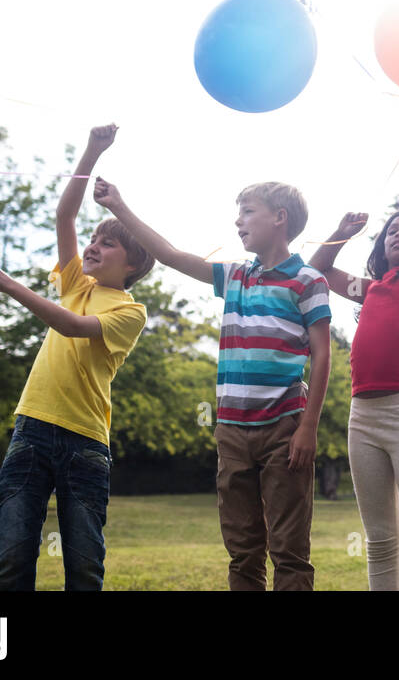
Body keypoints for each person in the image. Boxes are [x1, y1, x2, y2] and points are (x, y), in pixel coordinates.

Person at [93, 176, 330, 590]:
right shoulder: (236, 275)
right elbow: (168, 254)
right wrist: (119, 206)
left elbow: (323, 355)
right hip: (232, 431)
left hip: (285, 428)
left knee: (289, 551)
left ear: (280, 217)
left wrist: (308, 428)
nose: (238, 221)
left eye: (247, 211)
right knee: (243, 550)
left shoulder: (308, 281)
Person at [0, 124, 153, 591]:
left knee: (84, 568)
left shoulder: (131, 312)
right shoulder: (76, 284)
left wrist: (8, 283)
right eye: (95, 239)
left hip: (85, 444)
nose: (93, 245)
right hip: (31, 428)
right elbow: (64, 216)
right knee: (11, 557)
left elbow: (71, 326)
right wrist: (92, 151)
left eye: (107, 243)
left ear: (132, 262)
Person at [308, 118, 399, 590]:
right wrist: (339, 232)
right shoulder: (370, 289)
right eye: (394, 229)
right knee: (379, 541)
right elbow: (315, 275)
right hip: (362, 417)